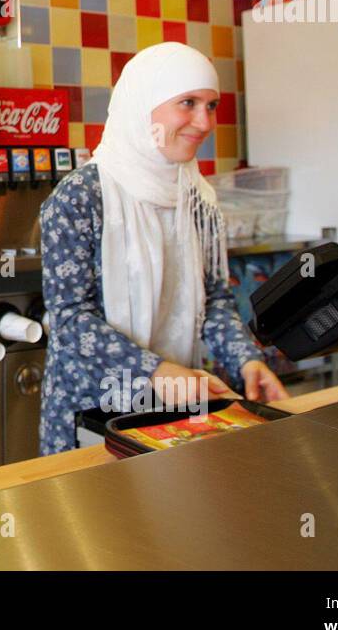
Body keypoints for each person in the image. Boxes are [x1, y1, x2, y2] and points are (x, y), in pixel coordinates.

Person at [39, 41, 287, 455]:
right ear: (143, 106)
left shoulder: (198, 198)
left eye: (211, 106)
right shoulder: (82, 196)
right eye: (187, 103)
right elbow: (70, 322)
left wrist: (247, 360)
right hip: (91, 413)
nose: (203, 122)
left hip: (174, 413)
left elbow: (215, 301)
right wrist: (155, 371)